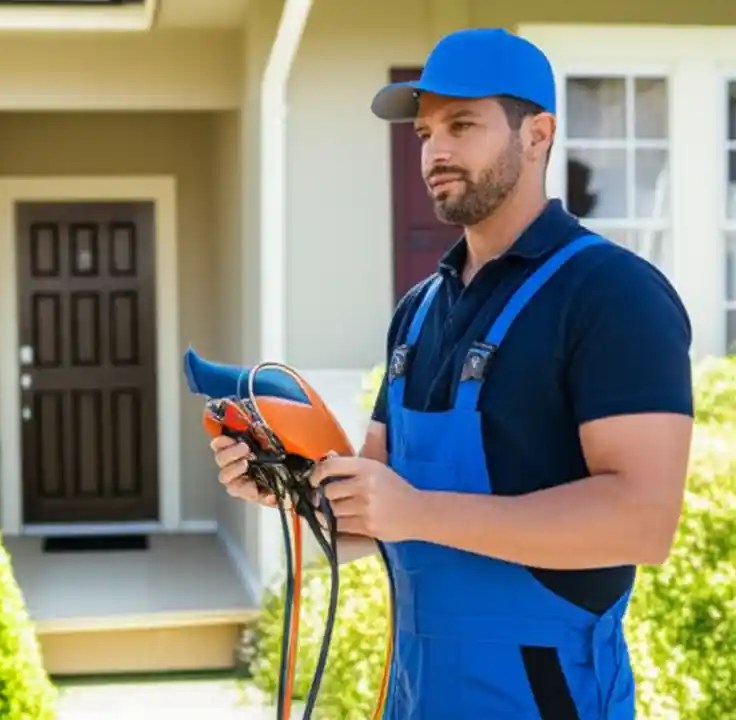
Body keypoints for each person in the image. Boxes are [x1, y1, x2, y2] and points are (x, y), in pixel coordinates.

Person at [211, 27, 694, 719]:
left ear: (538, 134)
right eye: (425, 131)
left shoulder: (612, 294)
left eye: (462, 125)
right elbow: (375, 518)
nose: (435, 151)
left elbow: (642, 522)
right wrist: (284, 491)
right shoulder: (419, 310)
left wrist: (414, 511)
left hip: (543, 690)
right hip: (416, 689)